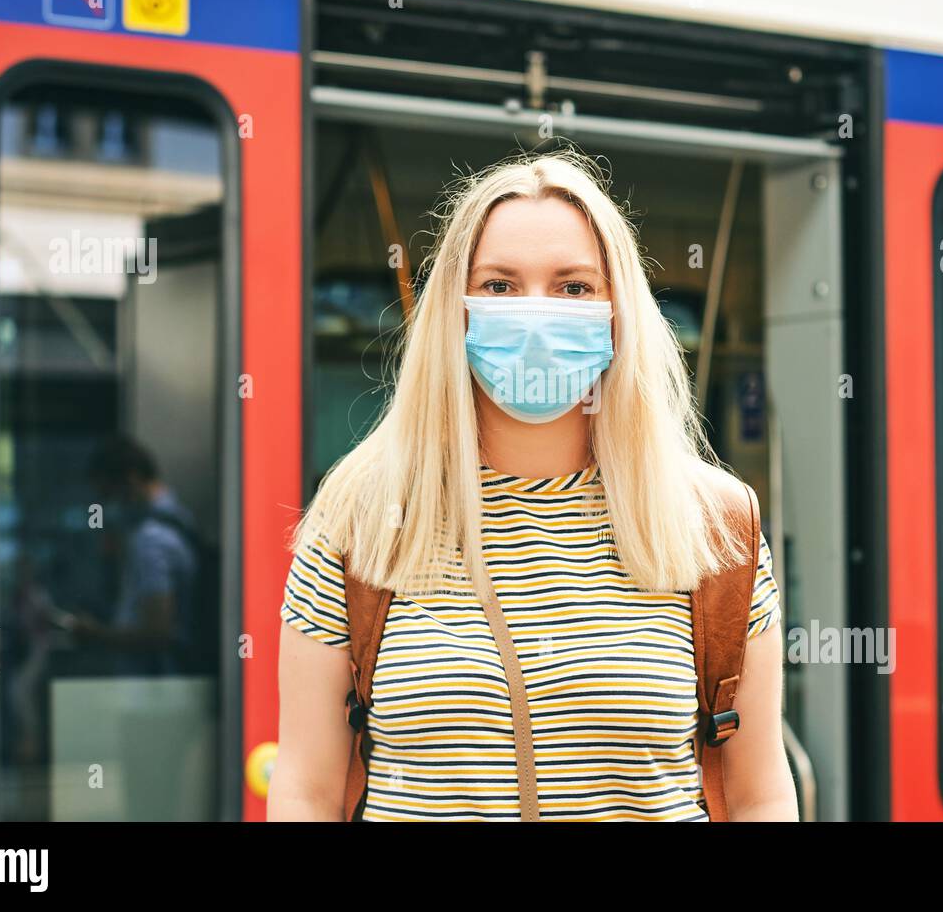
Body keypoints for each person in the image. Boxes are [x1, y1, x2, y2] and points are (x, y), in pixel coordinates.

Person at [270, 148, 795, 821]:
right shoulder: (361, 513)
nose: (536, 312)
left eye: (574, 287)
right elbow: (306, 791)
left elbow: (760, 794)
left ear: (618, 310)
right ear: (453, 311)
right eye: (499, 286)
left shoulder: (714, 525)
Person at [63, 434, 199, 677]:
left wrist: (96, 634)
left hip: (153, 684)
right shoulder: (180, 523)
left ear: (131, 480)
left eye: (110, 496)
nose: (111, 508)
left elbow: (158, 631)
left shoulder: (150, 539)